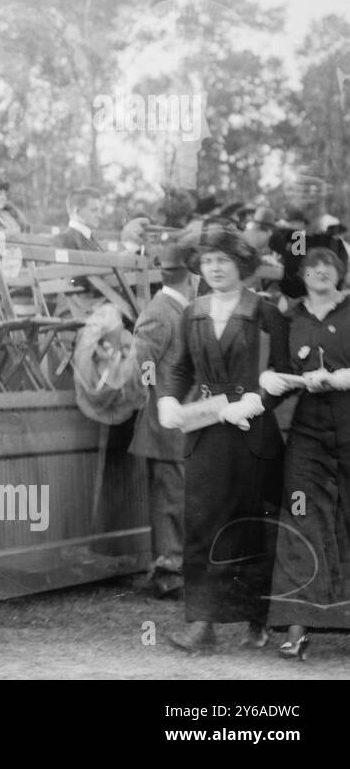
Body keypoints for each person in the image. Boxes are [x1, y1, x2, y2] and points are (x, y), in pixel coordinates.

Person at [157, 223, 289, 653]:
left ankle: (260, 619)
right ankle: (202, 623)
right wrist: (168, 401)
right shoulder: (192, 312)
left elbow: (282, 373)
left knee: (254, 526)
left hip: (252, 436)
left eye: (223, 261)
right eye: (208, 261)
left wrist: (253, 402)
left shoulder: (264, 311)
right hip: (206, 434)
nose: (214, 268)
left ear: (242, 265)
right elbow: (179, 369)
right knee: (201, 526)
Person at [264, 239, 350, 659]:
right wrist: (271, 382)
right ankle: (296, 627)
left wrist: (340, 379)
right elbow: (278, 371)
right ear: (301, 275)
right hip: (309, 434)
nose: (321, 271)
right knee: (300, 517)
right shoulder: (290, 317)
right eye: (313, 265)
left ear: (340, 272)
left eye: (329, 264)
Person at [128, 242, 194, 598]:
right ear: (191, 276)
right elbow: (141, 365)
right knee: (171, 502)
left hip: (180, 423)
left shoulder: (177, 308)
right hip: (165, 425)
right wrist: (163, 395)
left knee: (178, 499)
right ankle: (168, 574)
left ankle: (176, 569)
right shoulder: (161, 311)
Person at [55, 187, 105, 252]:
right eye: (94, 210)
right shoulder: (63, 241)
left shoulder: (92, 240)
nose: (100, 215)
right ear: (77, 211)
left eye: (100, 211)